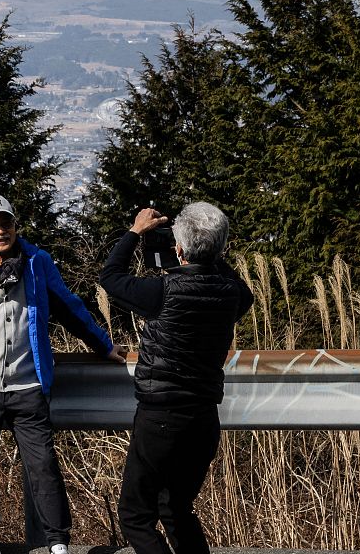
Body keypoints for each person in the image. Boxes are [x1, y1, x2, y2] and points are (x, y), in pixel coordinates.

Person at [0, 193, 122, 554]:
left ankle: (57, 542)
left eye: (5, 223)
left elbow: (69, 307)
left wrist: (103, 344)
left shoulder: (38, 263)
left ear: (15, 225)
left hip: (28, 385)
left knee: (44, 468)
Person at [99, 202, 254, 554]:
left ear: (178, 250)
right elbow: (236, 285)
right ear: (221, 248)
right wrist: (210, 251)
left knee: (136, 515)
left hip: (161, 417)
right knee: (177, 508)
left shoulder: (161, 292)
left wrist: (135, 232)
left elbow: (110, 277)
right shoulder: (233, 295)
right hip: (203, 419)